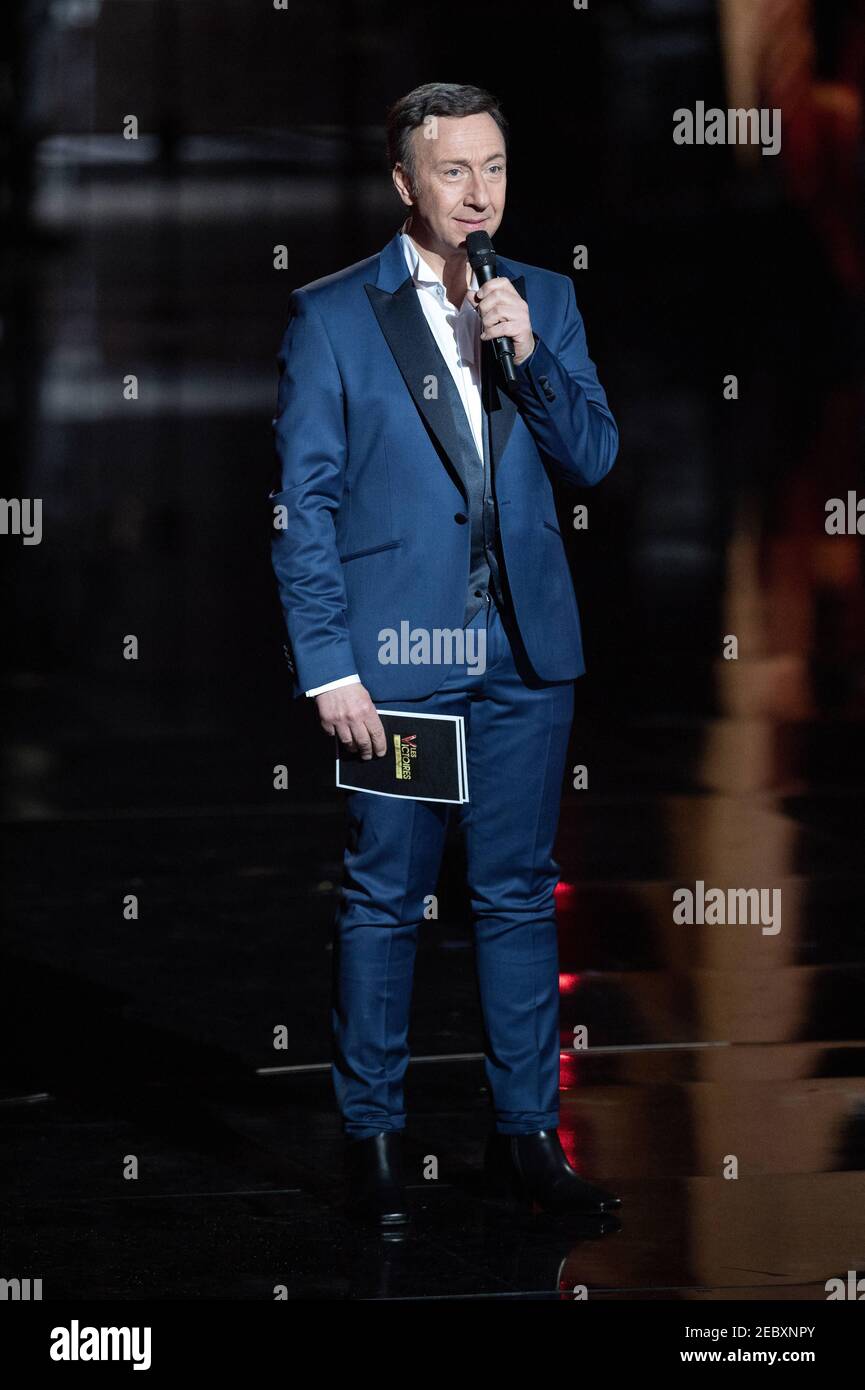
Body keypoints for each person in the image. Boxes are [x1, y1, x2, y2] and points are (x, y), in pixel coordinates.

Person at [270, 82, 620, 1227]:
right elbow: (304, 505)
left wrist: (534, 355)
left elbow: (592, 457)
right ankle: (371, 1135)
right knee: (386, 899)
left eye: (495, 169)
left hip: (522, 658)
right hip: (400, 668)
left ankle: (524, 1134)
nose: (479, 193)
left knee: (518, 895)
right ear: (404, 184)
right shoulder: (334, 317)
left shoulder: (545, 301)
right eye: (454, 171)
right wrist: (330, 665)